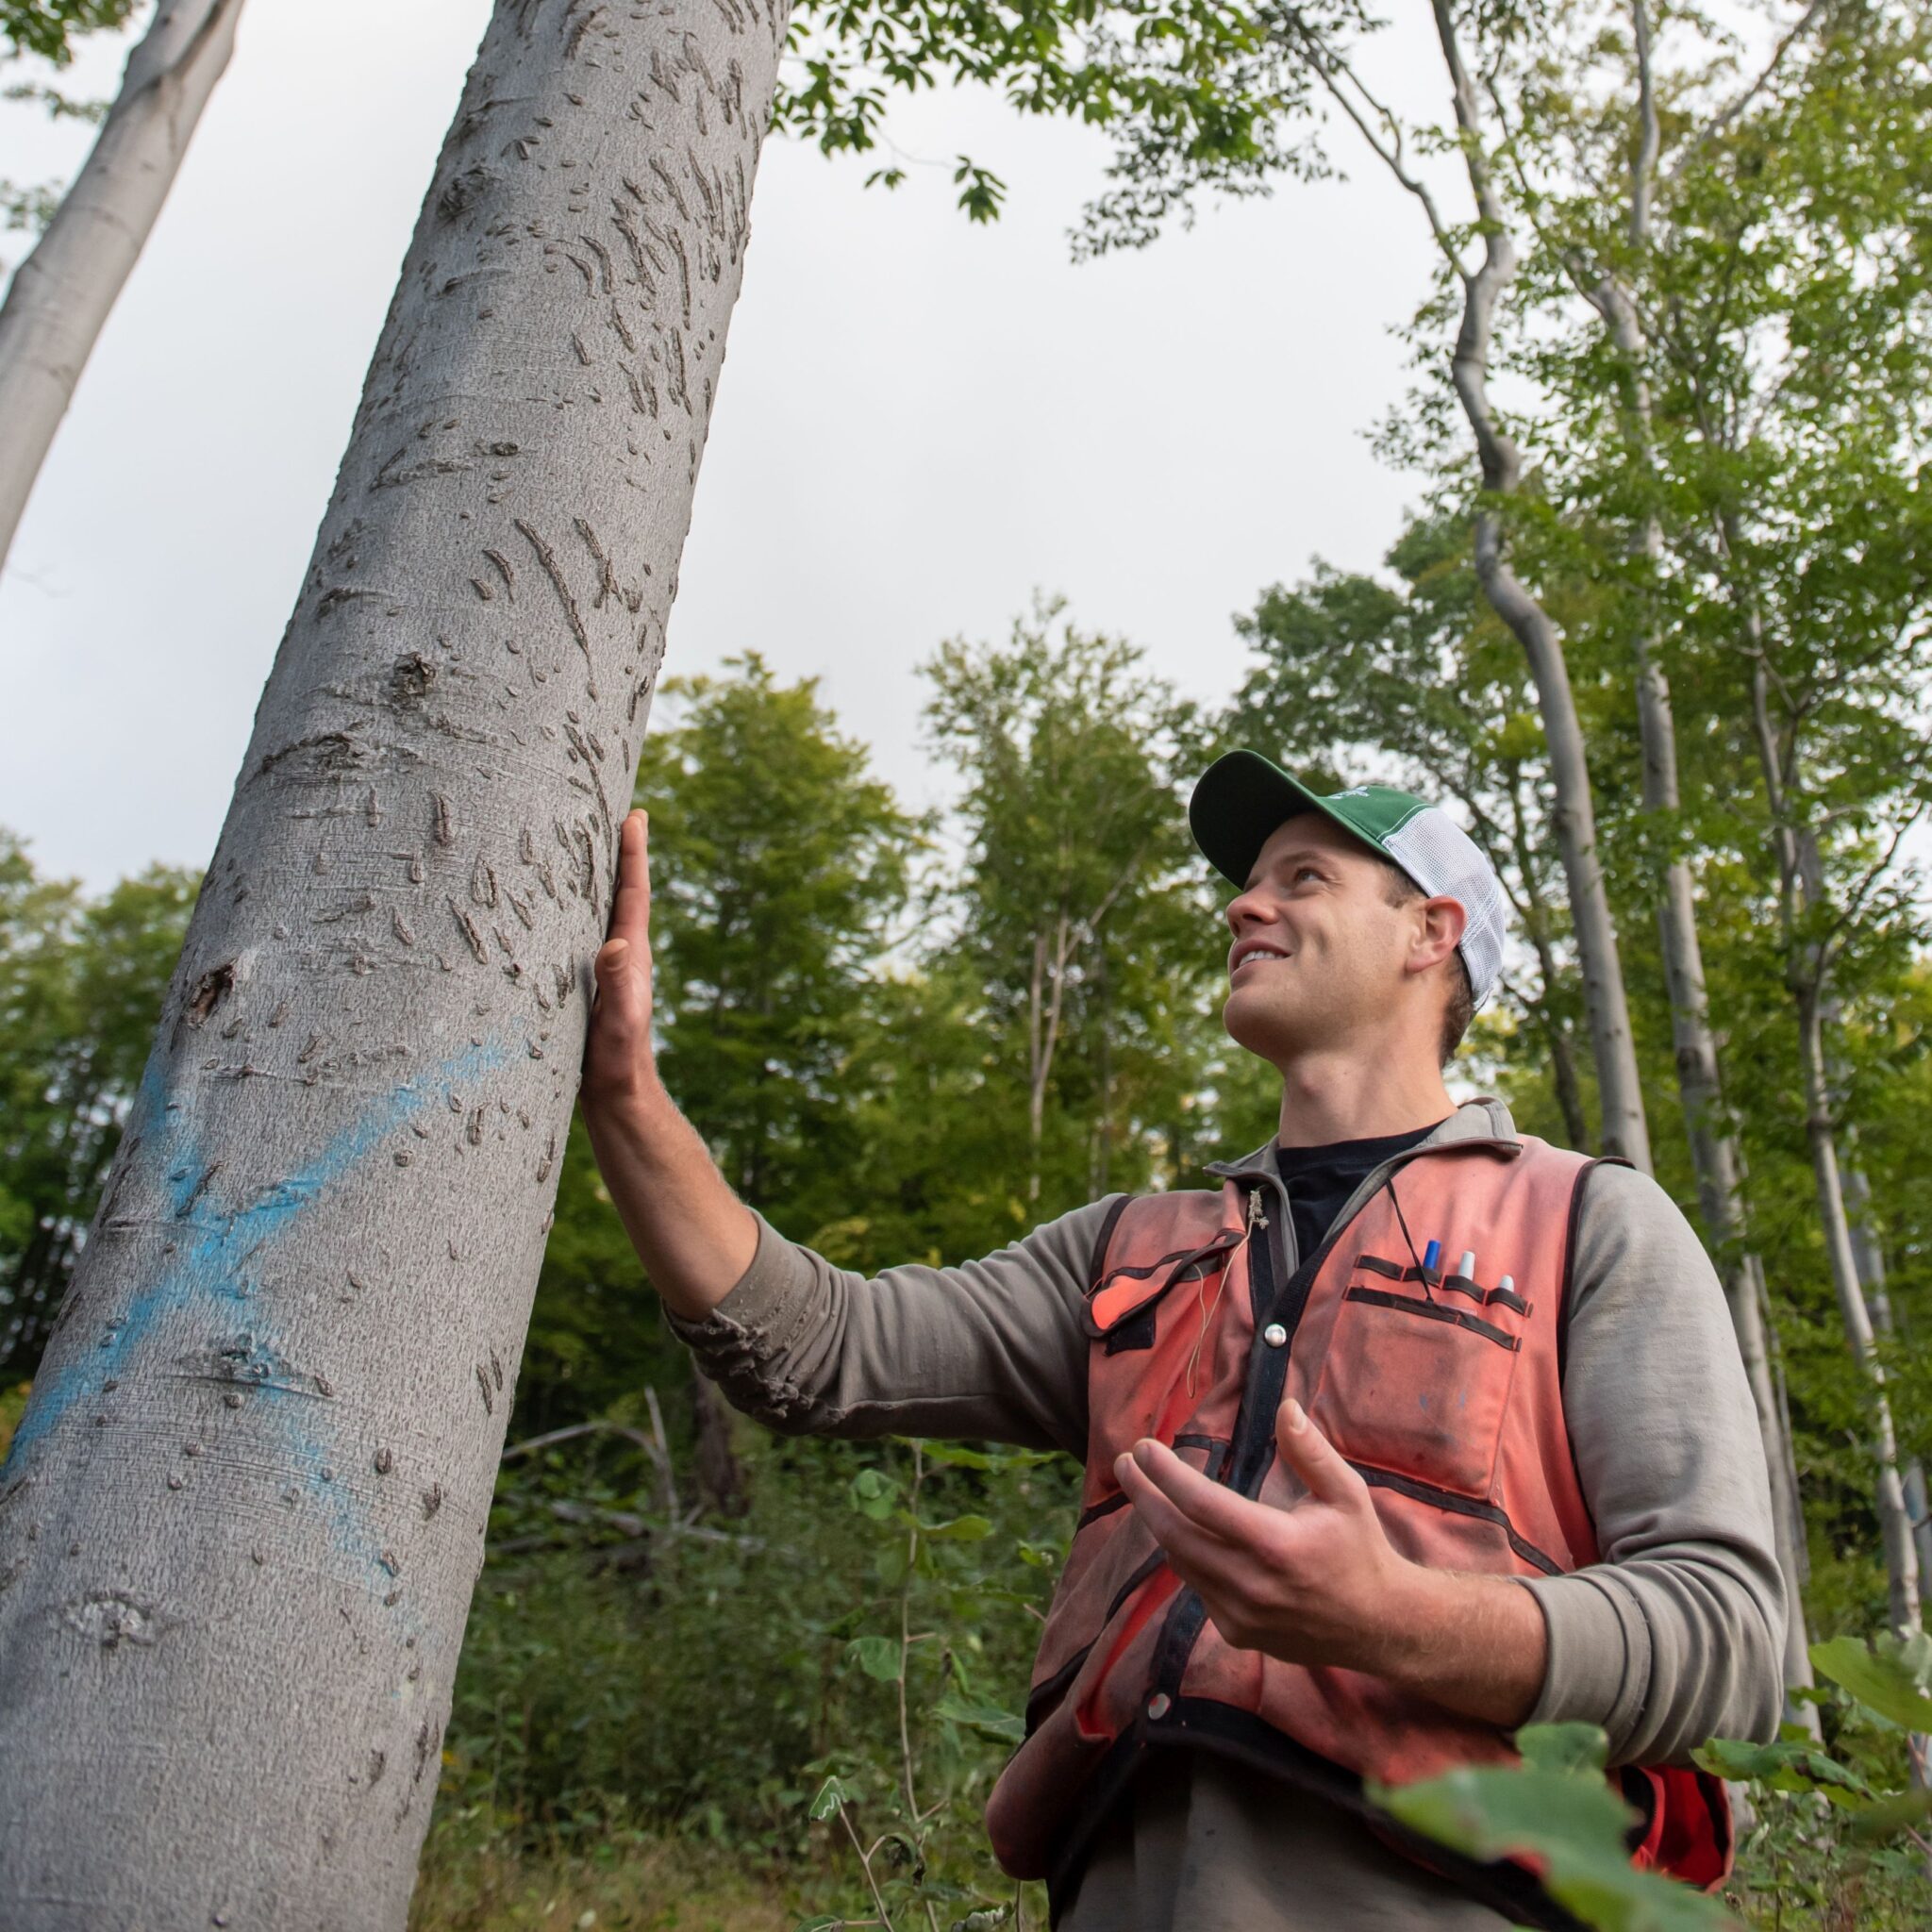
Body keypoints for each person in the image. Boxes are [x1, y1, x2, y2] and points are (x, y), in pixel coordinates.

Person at [579, 750, 1786, 1931]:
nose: (1241, 901)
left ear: (1429, 934)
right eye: (1249, 878)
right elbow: (819, 1344)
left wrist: (1389, 1616)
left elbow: (1727, 1637)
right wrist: (627, 1094)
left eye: (1303, 876)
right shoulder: (1129, 1246)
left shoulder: (1585, 1218)